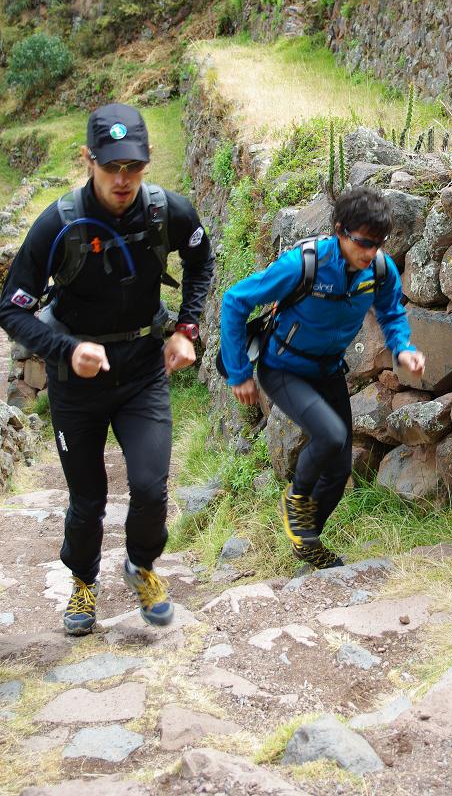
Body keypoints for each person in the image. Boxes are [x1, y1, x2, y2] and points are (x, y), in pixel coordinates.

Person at [0, 103, 214, 635]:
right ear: (88, 159)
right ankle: (83, 581)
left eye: (134, 167)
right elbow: (10, 307)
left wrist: (187, 329)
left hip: (142, 371)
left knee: (149, 486)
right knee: (88, 499)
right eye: (111, 167)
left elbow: (201, 260)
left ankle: (142, 565)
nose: (123, 180)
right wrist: (65, 349)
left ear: (147, 162)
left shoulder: (169, 212)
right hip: (77, 384)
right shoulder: (59, 224)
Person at [220, 186, 425, 569]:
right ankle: (295, 500)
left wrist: (402, 348)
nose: (370, 253)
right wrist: (238, 373)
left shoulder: (379, 269)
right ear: (339, 230)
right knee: (330, 435)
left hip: (327, 369)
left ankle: (306, 538)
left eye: (378, 243)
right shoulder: (304, 264)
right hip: (282, 368)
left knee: (339, 468)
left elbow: (391, 312)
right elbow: (235, 300)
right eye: (363, 242)